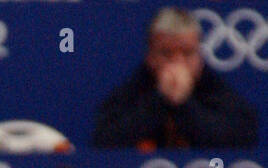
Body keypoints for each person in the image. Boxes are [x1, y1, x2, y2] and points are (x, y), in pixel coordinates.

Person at [93, 7, 258, 149]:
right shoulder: (135, 88)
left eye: (187, 53)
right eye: (166, 53)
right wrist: (159, 100)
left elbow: (241, 139)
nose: (178, 62)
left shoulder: (215, 89)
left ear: (199, 55)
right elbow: (105, 140)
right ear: (150, 57)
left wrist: (184, 104)